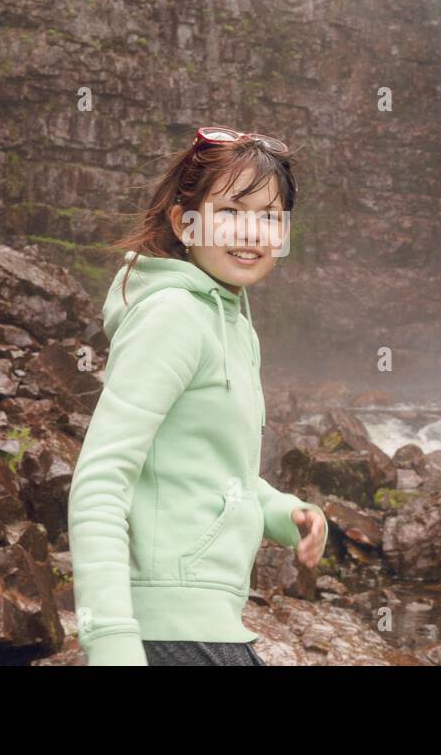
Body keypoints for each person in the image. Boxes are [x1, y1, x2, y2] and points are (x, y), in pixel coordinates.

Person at [67, 126, 328, 666]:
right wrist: (111, 640)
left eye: (270, 216)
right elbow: (100, 479)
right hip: (167, 639)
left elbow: (203, 467)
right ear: (184, 221)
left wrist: (282, 512)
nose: (253, 232)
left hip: (212, 630)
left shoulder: (231, 323)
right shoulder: (174, 316)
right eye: (231, 210)